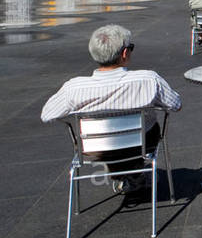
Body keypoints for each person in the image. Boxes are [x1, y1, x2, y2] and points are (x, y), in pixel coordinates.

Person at [40, 24, 181, 197]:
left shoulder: (74, 87)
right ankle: (133, 174)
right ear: (124, 54)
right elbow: (175, 104)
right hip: (141, 145)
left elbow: (47, 114)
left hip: (96, 149)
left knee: (110, 142)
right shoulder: (148, 79)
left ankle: (128, 175)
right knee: (150, 126)